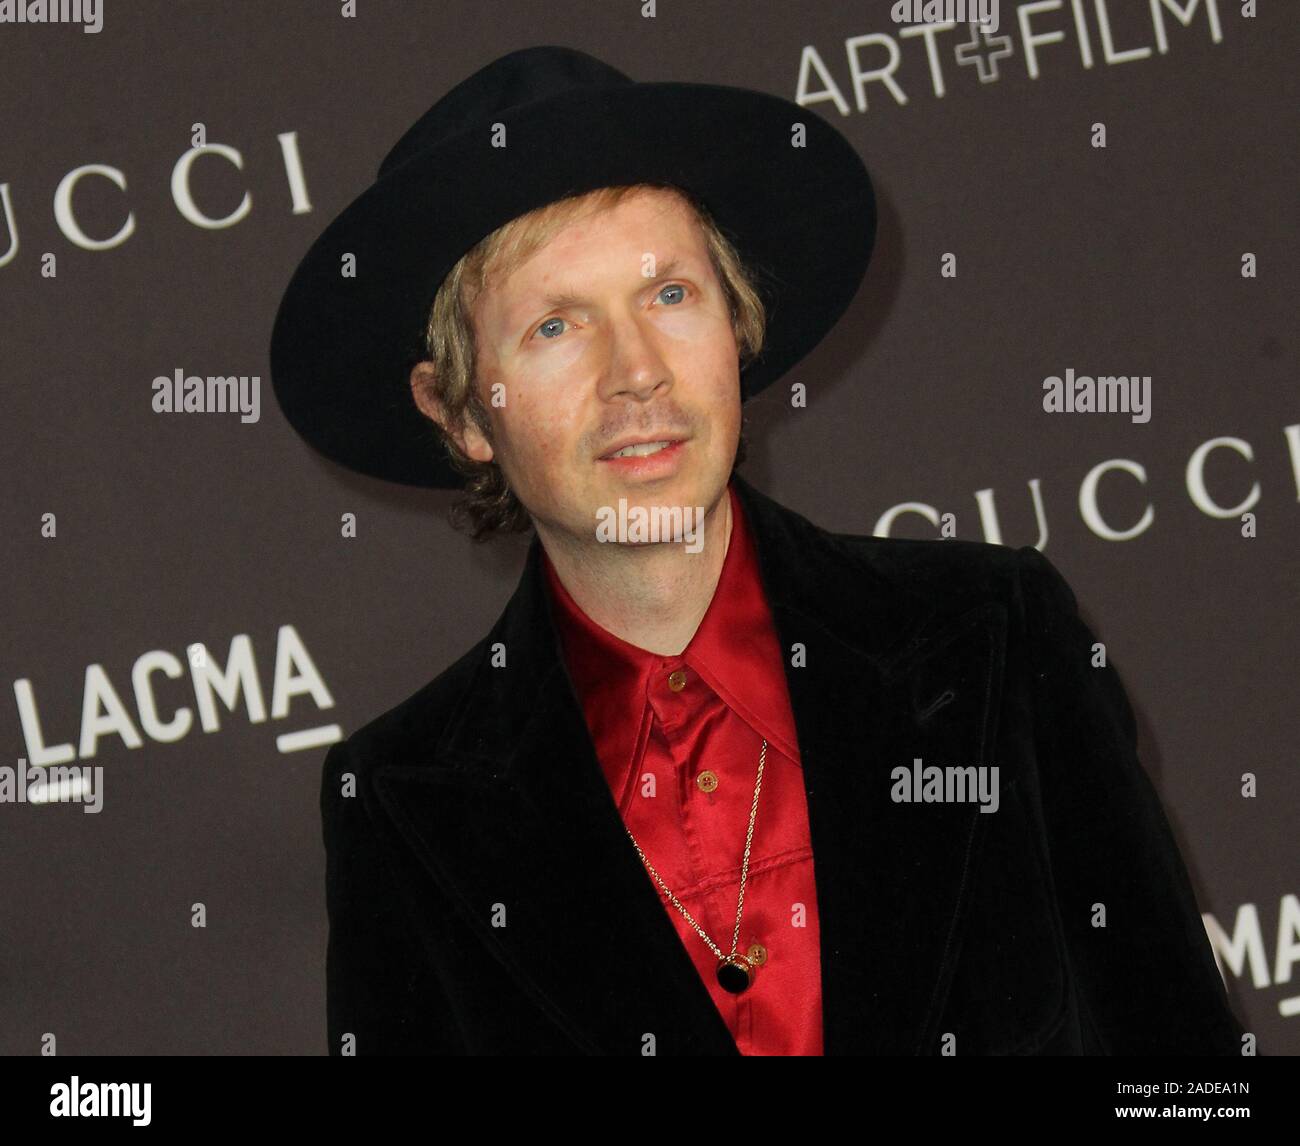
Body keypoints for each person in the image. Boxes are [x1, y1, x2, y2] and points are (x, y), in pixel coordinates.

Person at [270, 46, 1244, 1056]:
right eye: (555, 325)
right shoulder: (401, 803)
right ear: (462, 410)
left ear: (736, 323)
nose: (636, 372)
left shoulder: (993, 638)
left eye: (671, 296)